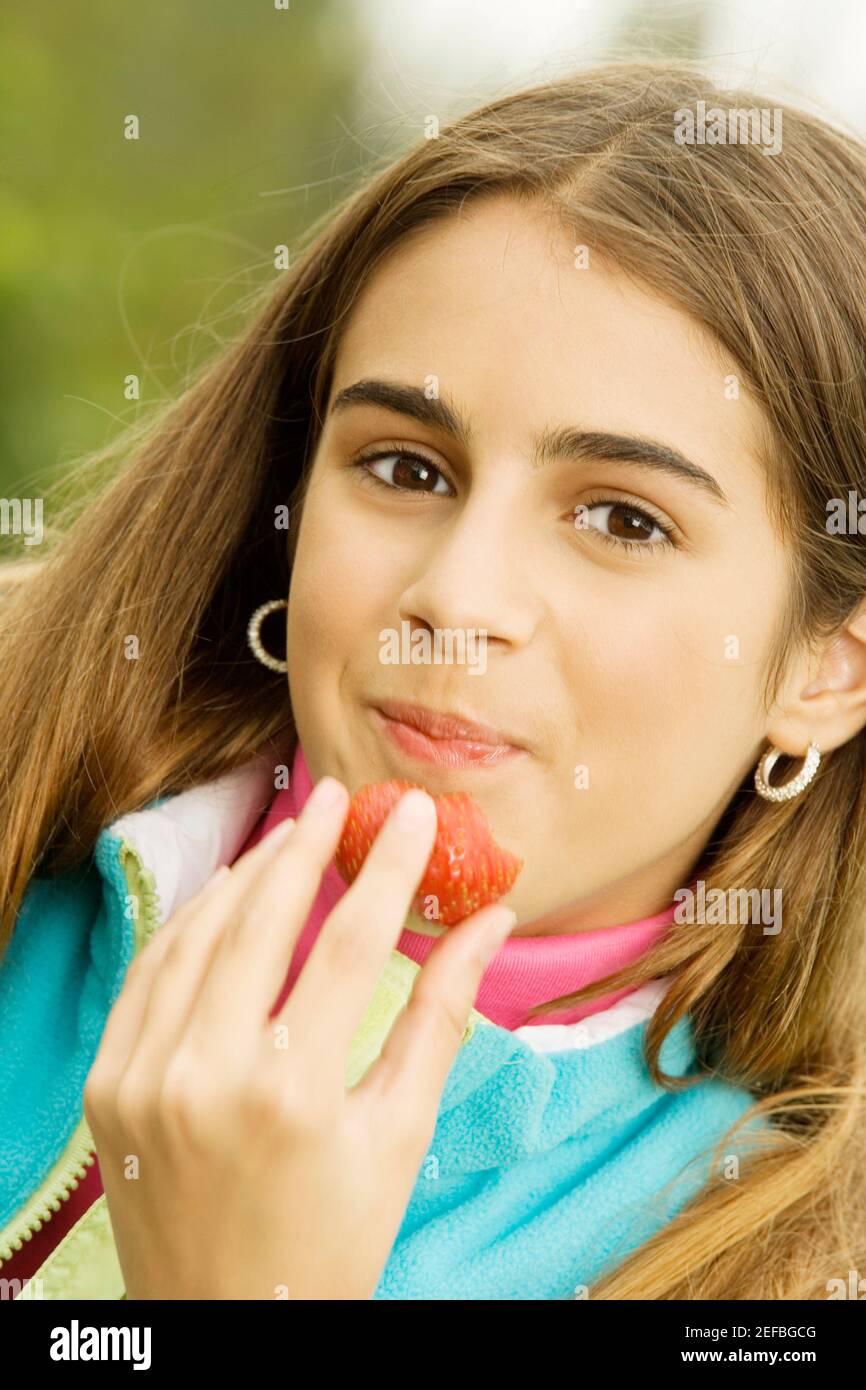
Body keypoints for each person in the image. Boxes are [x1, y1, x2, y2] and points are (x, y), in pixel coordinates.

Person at [2, 57, 865, 1300]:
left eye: (622, 519)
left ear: (824, 673)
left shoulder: (771, 1264)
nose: (456, 597)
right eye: (407, 468)